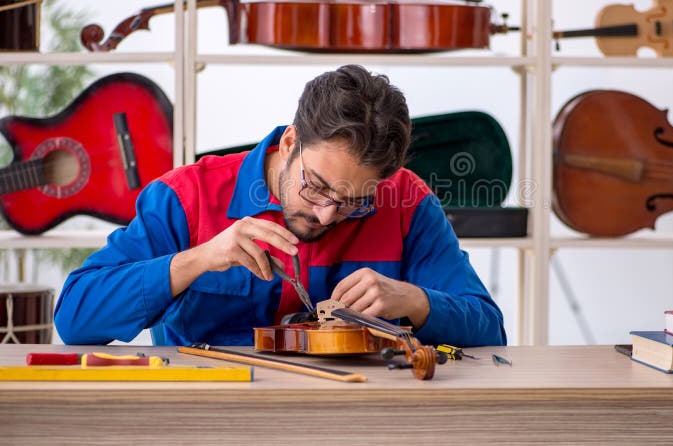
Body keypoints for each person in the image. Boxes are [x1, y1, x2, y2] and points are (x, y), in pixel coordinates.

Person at [54, 64, 506, 347]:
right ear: (290, 142)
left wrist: (416, 300)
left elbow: (489, 328)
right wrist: (198, 259)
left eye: (353, 202)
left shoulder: (406, 201)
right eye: (317, 187)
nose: (328, 214)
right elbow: (74, 318)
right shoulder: (184, 196)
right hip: (205, 428)